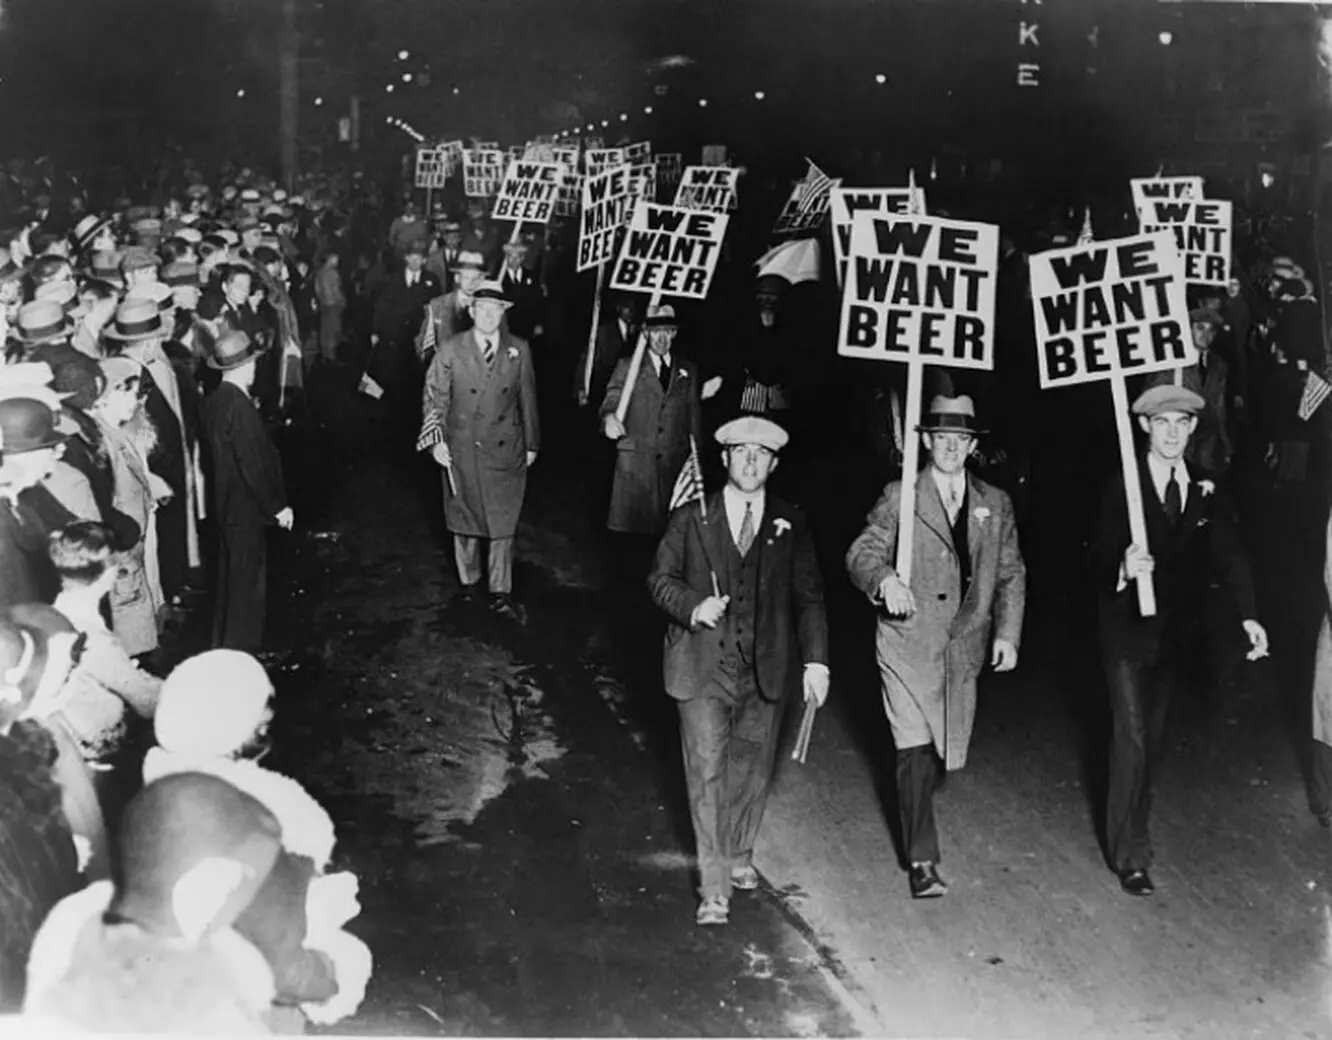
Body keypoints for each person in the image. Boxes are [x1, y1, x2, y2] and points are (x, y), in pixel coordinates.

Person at [647, 416, 829, 926]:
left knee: (750, 767)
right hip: (700, 667)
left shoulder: (791, 524)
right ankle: (714, 887)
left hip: (764, 668)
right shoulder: (690, 518)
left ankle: (741, 850)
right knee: (707, 772)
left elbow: (810, 597)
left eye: (761, 454)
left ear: (774, 463)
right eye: (741, 452)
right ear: (724, 458)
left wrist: (817, 660)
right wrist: (692, 606)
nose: (750, 462)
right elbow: (659, 580)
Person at [845, 394, 1026, 899]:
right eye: (940, 438)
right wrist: (884, 581)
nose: (950, 447)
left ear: (971, 446)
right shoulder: (900, 495)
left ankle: (919, 829)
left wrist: (1008, 633)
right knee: (914, 752)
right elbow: (861, 551)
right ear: (924, 440)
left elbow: (1011, 573)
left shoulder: (995, 502)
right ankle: (922, 859)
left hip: (960, 648)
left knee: (941, 753)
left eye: (960, 440)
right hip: (906, 643)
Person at [1090, 384, 1268, 896]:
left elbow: (1231, 555)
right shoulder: (1120, 484)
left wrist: (1249, 616)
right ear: (1144, 427)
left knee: (1155, 742)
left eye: (1181, 424)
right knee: (1133, 736)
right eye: (1161, 423)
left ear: (1193, 429)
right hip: (1125, 630)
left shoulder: (1207, 487)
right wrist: (1121, 566)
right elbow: (1092, 553)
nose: (1172, 434)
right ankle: (1131, 854)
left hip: (1174, 636)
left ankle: (1134, 833)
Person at [418, 281, 539, 622]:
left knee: (503, 522)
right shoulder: (451, 349)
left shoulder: (519, 349)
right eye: (482, 309)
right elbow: (434, 397)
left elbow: (527, 399)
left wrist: (532, 443)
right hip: (461, 447)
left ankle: (501, 593)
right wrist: (436, 441)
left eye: (495, 310)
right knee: (465, 521)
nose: (488, 316)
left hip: (506, 449)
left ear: (503, 313)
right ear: (470, 311)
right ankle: (469, 584)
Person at [198, 331, 292, 652]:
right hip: (245, 509)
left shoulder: (214, 401)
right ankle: (241, 653)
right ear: (244, 367)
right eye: (252, 363)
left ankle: (223, 645)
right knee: (247, 587)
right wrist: (277, 507)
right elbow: (252, 463)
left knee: (230, 584)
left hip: (226, 507)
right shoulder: (240, 407)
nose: (255, 369)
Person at [601, 304, 702, 568]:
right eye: (656, 332)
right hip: (636, 468)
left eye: (668, 331)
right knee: (632, 550)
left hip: (672, 468)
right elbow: (611, 400)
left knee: (668, 546)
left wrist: (696, 462)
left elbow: (693, 419)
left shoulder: (687, 371)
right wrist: (609, 418)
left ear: (675, 334)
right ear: (645, 333)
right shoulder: (629, 366)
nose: (662, 338)